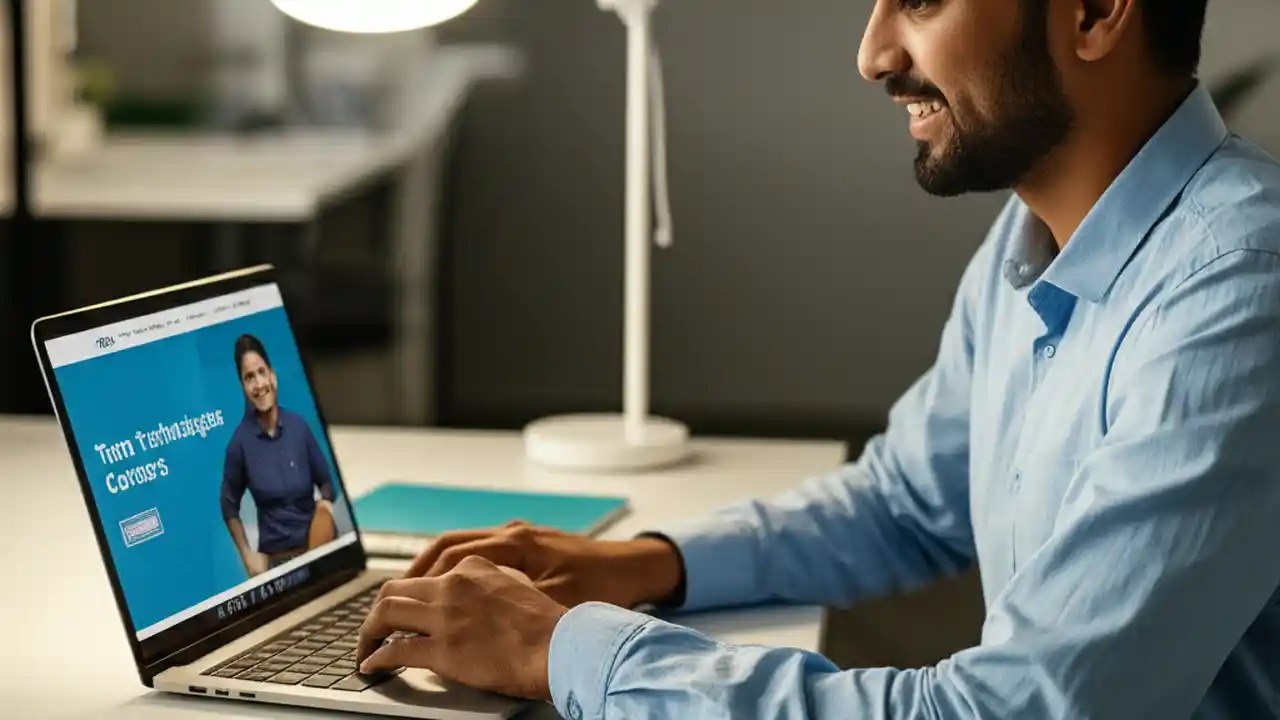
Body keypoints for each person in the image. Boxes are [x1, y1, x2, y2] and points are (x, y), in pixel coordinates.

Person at [355, 0, 1280, 717]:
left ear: (1093, 12)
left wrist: (563, 651)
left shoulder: (1239, 295)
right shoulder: (1038, 234)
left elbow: (1017, 709)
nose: (873, 53)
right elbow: (907, 502)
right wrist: (646, 565)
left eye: (920, 2)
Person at [221, 334, 336, 577]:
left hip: (319, 555)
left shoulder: (299, 427)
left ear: (273, 375)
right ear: (243, 386)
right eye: (249, 377)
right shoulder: (239, 443)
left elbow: (326, 483)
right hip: (278, 566)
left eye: (261, 372)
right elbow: (228, 504)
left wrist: (324, 512)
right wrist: (247, 555)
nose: (259, 383)